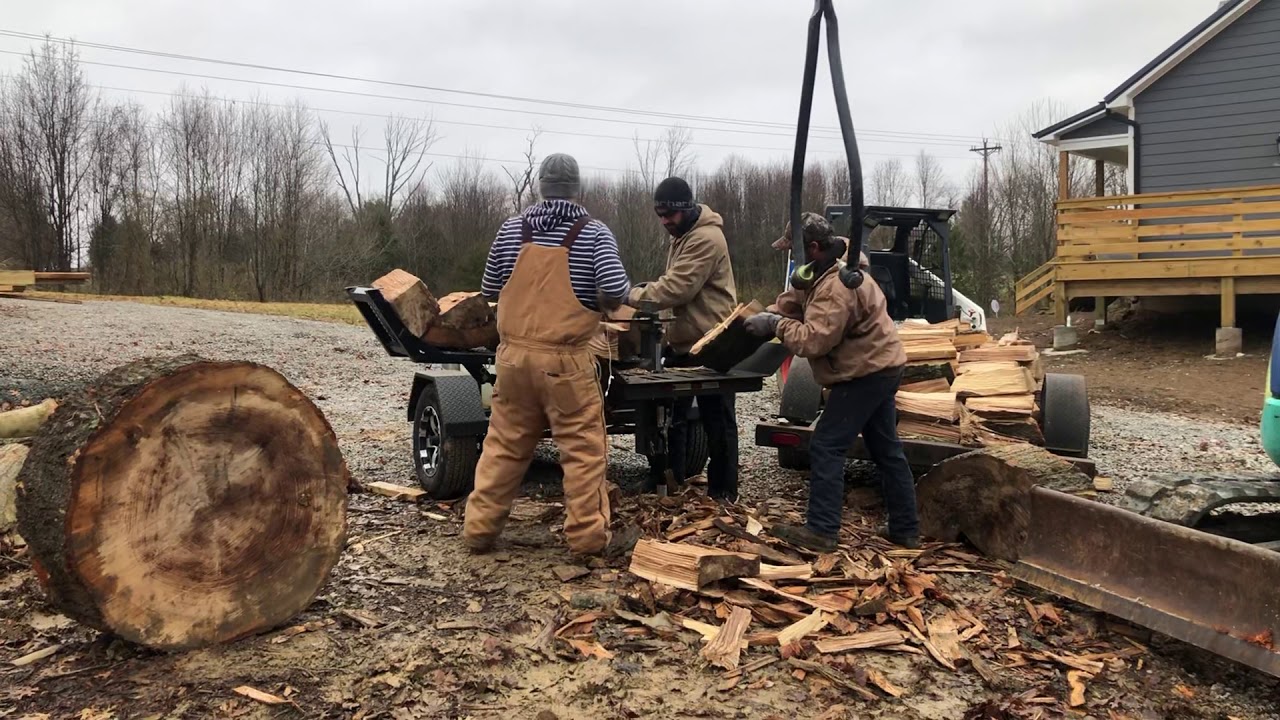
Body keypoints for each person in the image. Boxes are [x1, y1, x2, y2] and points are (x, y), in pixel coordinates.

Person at [464, 153, 631, 556]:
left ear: (541, 187)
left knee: (503, 445)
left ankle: (479, 531)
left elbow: (489, 289)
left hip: (513, 361)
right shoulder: (593, 234)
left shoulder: (511, 230)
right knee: (583, 451)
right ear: (577, 189)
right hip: (566, 361)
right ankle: (588, 538)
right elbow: (615, 293)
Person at [745, 212, 920, 550]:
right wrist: (771, 312)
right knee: (886, 449)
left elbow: (814, 341)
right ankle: (905, 528)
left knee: (826, 444)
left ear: (813, 247)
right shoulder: (822, 268)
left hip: (865, 372)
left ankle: (822, 531)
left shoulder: (839, 285)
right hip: (879, 365)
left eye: (795, 252)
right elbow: (798, 298)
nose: (792, 259)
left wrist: (775, 326)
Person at [627, 177, 739, 502]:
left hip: (711, 342)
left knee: (717, 420)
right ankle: (667, 480)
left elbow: (677, 288)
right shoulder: (683, 234)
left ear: (686, 208)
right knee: (668, 416)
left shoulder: (706, 238)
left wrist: (630, 296)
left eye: (669, 215)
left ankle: (723, 493)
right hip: (684, 343)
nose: (664, 222)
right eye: (659, 215)